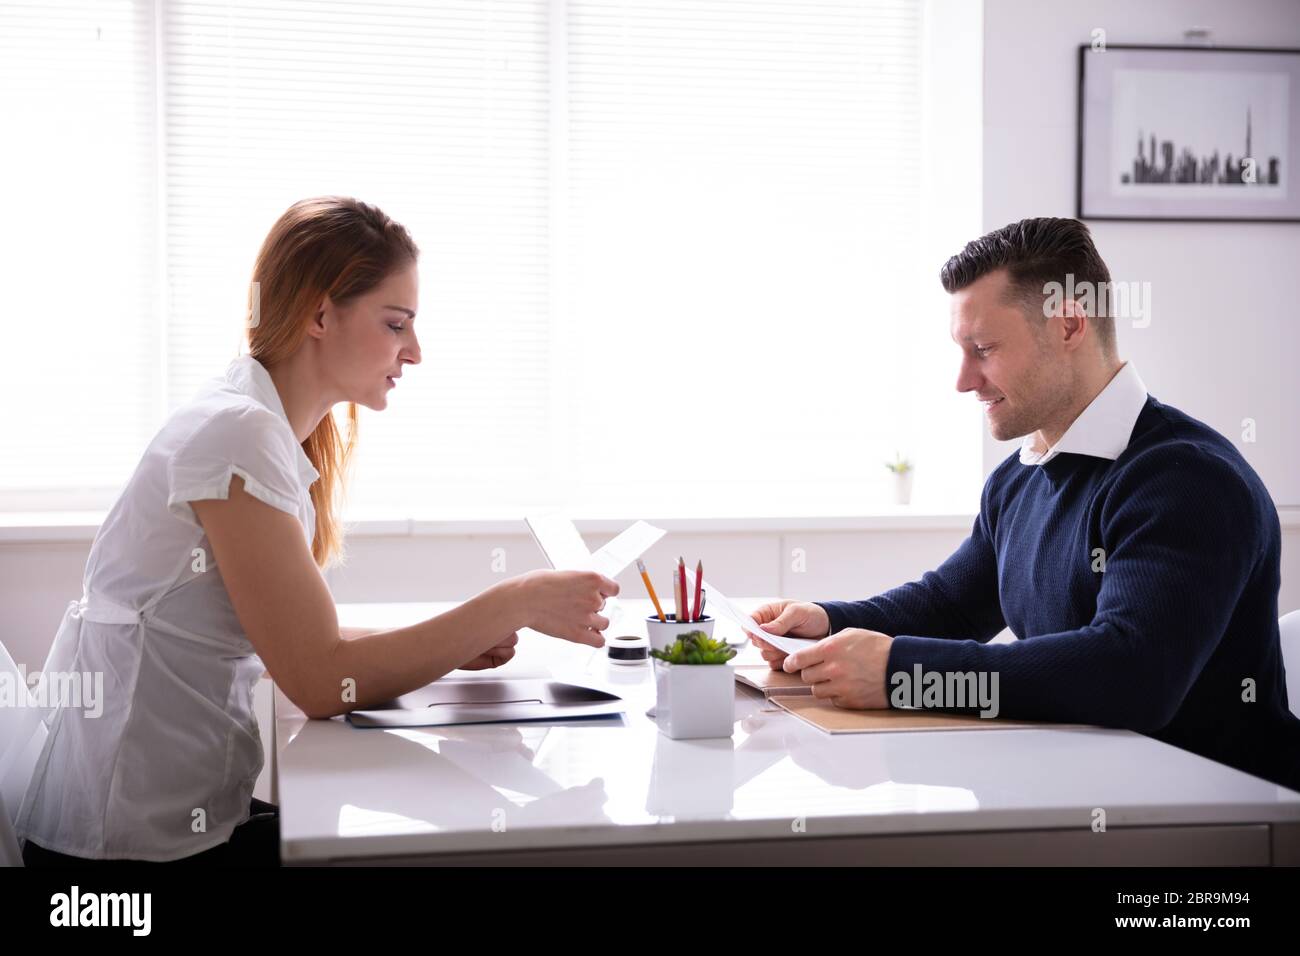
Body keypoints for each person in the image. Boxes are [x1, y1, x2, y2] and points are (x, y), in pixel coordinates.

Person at [18, 196, 619, 865]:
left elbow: (307, 645)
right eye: (396, 324)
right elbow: (319, 679)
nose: (414, 351)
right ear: (318, 313)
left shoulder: (257, 427)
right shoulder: (237, 434)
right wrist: (515, 602)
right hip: (122, 852)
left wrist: (460, 637)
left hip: (164, 824)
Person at [749, 217, 1300, 794]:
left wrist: (899, 673)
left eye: (983, 349)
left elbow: (1134, 676)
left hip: (1212, 821)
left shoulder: (1187, 480)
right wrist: (827, 623)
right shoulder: (1021, 476)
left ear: (1068, 325)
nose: (964, 381)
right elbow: (952, 605)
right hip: (1079, 794)